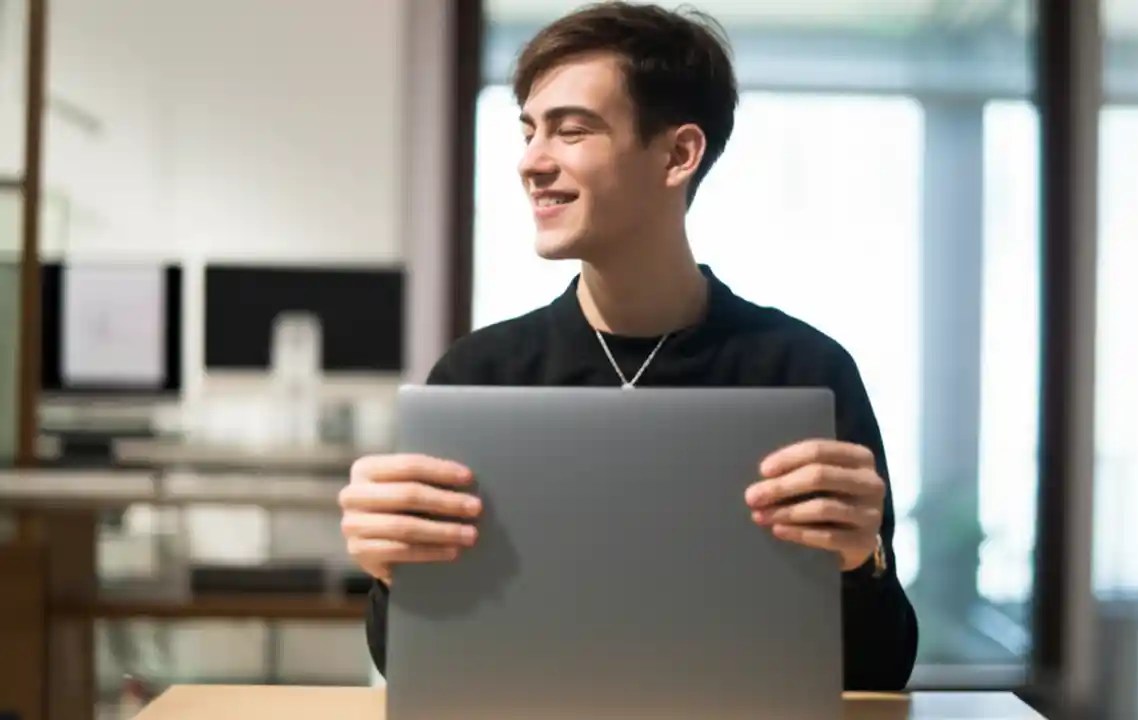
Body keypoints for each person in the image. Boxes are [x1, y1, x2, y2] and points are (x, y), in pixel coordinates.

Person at [339, 1, 918, 691]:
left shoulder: (803, 371)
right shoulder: (479, 374)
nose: (531, 162)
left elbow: (880, 672)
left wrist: (862, 561)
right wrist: (388, 570)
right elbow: (405, 663)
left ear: (678, 154)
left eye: (571, 130)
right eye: (528, 132)